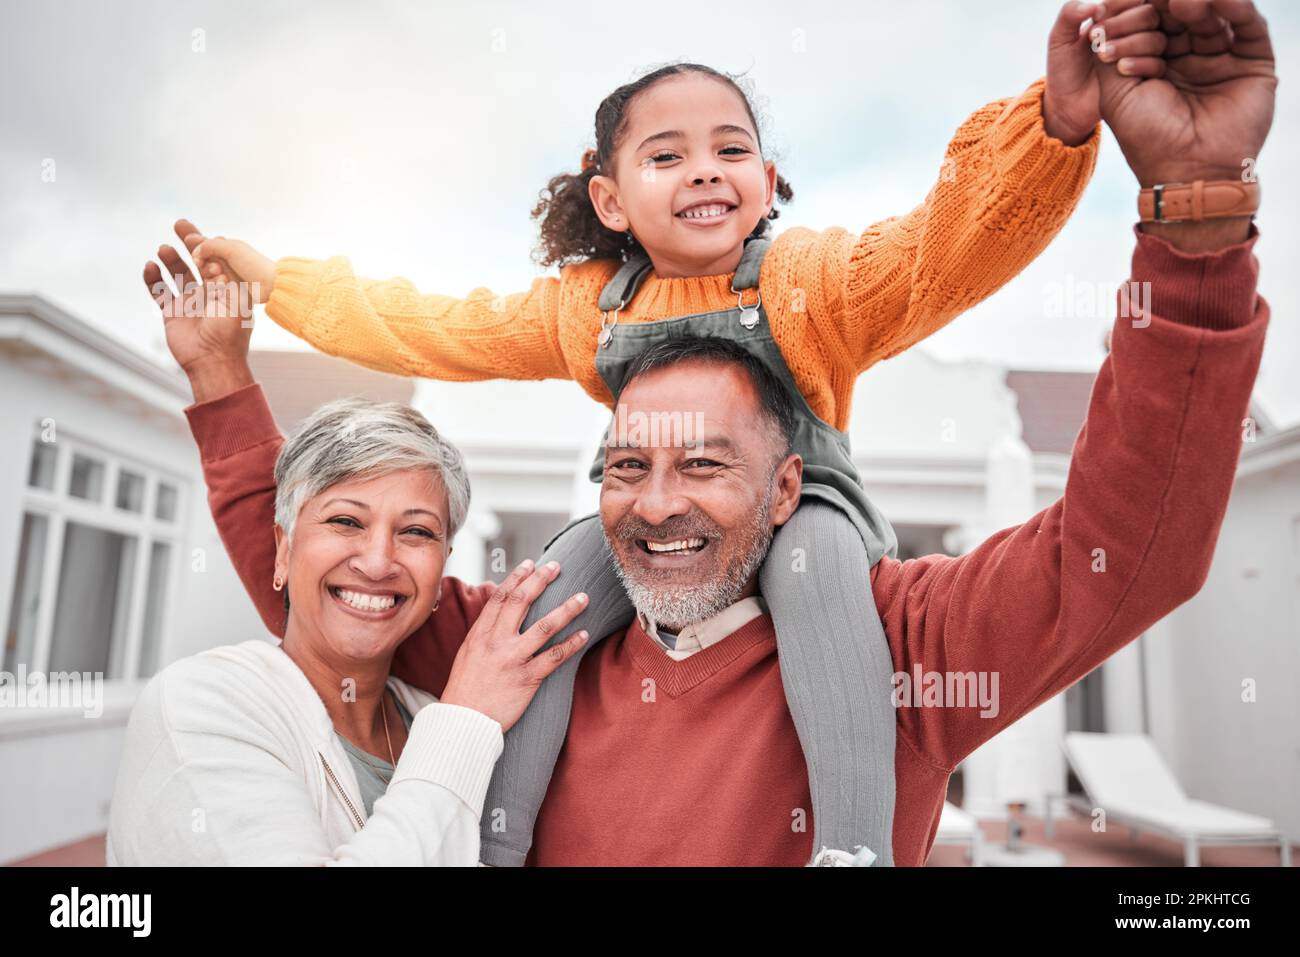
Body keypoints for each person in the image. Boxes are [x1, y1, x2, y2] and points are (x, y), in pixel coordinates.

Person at [155, 1, 1168, 863]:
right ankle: (499, 840)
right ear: (610, 195)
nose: (705, 171)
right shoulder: (586, 308)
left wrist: (1054, 129)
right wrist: (279, 286)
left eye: (732, 150)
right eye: (667, 154)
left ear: (767, 182)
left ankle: (851, 846)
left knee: (817, 583)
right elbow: (433, 325)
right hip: (652, 514)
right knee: (540, 612)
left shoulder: (810, 285)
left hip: (806, 505)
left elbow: (943, 248)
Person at [106, 388, 592, 865]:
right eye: (345, 521)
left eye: (416, 532)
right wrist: (467, 718)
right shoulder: (201, 702)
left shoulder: (429, 712)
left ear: (442, 567)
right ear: (282, 550)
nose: (378, 562)